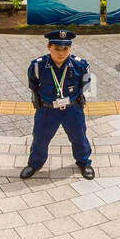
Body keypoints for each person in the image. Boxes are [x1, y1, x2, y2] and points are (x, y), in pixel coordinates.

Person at [22, 31, 96, 179]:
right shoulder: (38, 65)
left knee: (79, 137)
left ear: (70, 48)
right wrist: (36, 97)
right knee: (40, 138)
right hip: (47, 110)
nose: (61, 53)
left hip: (72, 109)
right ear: (49, 47)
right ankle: (35, 163)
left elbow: (88, 84)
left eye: (65, 49)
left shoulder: (80, 64)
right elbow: (33, 84)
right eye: (57, 48)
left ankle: (84, 162)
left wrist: (81, 96)